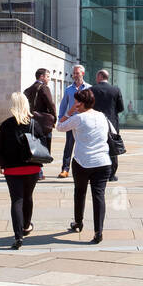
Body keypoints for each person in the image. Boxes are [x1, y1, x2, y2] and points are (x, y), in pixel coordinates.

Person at [57, 87, 112, 244]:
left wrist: (69, 112)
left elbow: (59, 127)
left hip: (83, 162)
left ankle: (78, 223)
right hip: (103, 161)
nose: (74, 104)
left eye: (76, 101)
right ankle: (98, 232)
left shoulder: (78, 118)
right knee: (98, 196)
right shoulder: (102, 116)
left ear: (81, 103)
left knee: (80, 192)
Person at [0, 92, 51, 249]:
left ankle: (18, 236)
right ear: (27, 105)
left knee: (16, 200)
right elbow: (44, 143)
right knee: (28, 197)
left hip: (12, 169)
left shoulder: (6, 125)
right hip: (32, 166)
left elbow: (0, 147)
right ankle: (26, 226)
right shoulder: (34, 124)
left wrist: (1, 164)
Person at [90, 69, 125, 182]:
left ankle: (95, 172)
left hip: (95, 122)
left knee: (95, 146)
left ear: (100, 76)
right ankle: (111, 174)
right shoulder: (115, 89)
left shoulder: (92, 89)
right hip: (112, 123)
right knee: (112, 148)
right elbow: (121, 108)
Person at [24, 67, 57, 182]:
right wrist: (54, 118)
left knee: (33, 144)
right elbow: (51, 104)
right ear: (41, 77)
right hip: (43, 122)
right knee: (43, 146)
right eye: (48, 76)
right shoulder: (44, 88)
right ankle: (38, 172)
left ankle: (36, 171)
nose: (49, 79)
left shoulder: (28, 90)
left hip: (31, 120)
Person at [57, 64, 88, 178]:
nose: (75, 75)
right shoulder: (68, 89)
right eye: (74, 73)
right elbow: (63, 105)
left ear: (82, 74)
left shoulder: (89, 88)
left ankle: (85, 168)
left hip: (85, 122)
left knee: (84, 144)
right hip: (71, 121)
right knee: (69, 145)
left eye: (77, 73)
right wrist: (61, 118)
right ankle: (65, 169)